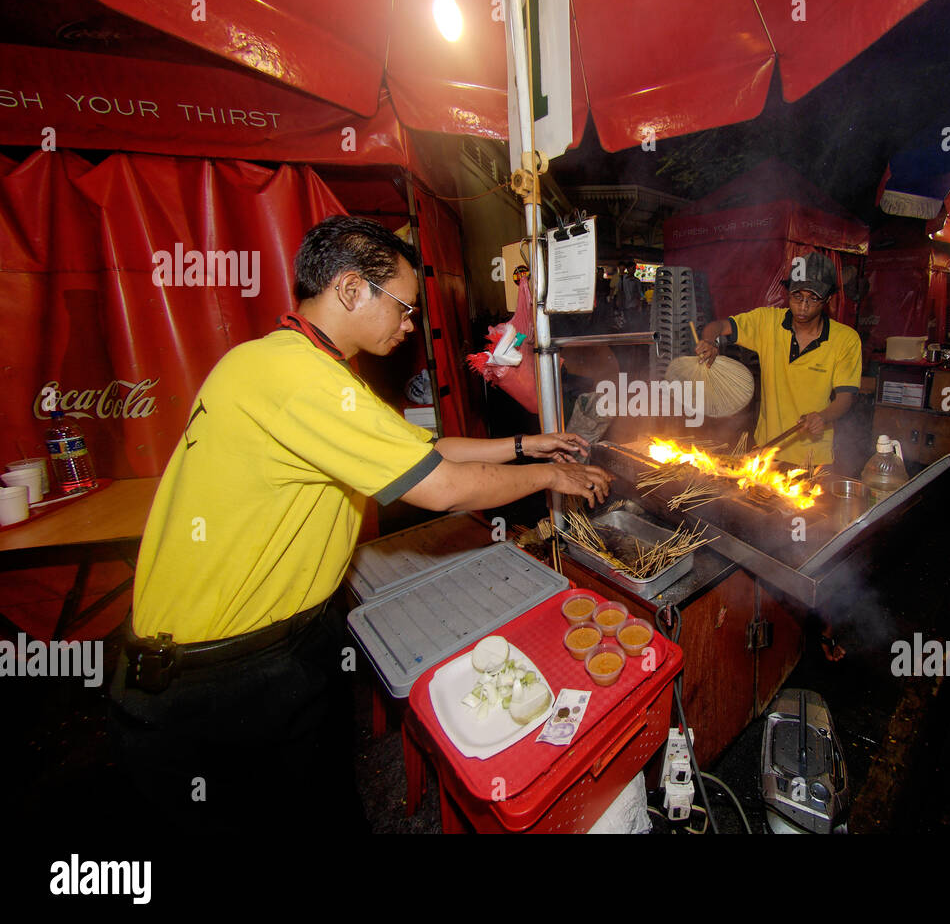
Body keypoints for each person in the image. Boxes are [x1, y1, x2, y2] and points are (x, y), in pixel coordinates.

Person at [110, 216, 612, 833]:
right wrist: (550, 478)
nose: (410, 325)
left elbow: (425, 448)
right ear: (351, 290)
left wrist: (524, 444)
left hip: (267, 651)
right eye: (403, 307)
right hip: (218, 680)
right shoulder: (300, 379)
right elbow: (441, 486)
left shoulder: (291, 364)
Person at [695, 251, 862, 469]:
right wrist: (710, 341)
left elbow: (844, 399)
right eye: (797, 296)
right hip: (766, 454)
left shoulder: (846, 339)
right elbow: (718, 326)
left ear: (828, 299)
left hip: (813, 459)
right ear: (788, 293)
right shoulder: (767, 322)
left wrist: (822, 416)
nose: (803, 306)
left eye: (813, 298)